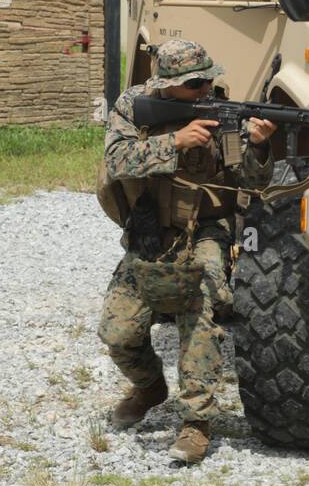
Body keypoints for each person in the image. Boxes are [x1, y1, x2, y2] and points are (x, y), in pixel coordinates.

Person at [97, 40, 275, 463]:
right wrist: (175, 142)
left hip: (207, 232)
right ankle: (149, 387)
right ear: (165, 86)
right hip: (150, 233)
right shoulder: (133, 106)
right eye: (193, 85)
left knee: (200, 319)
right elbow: (118, 161)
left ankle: (196, 423)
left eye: (206, 81)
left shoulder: (224, 114)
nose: (203, 90)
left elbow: (249, 183)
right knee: (118, 333)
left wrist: (260, 146)